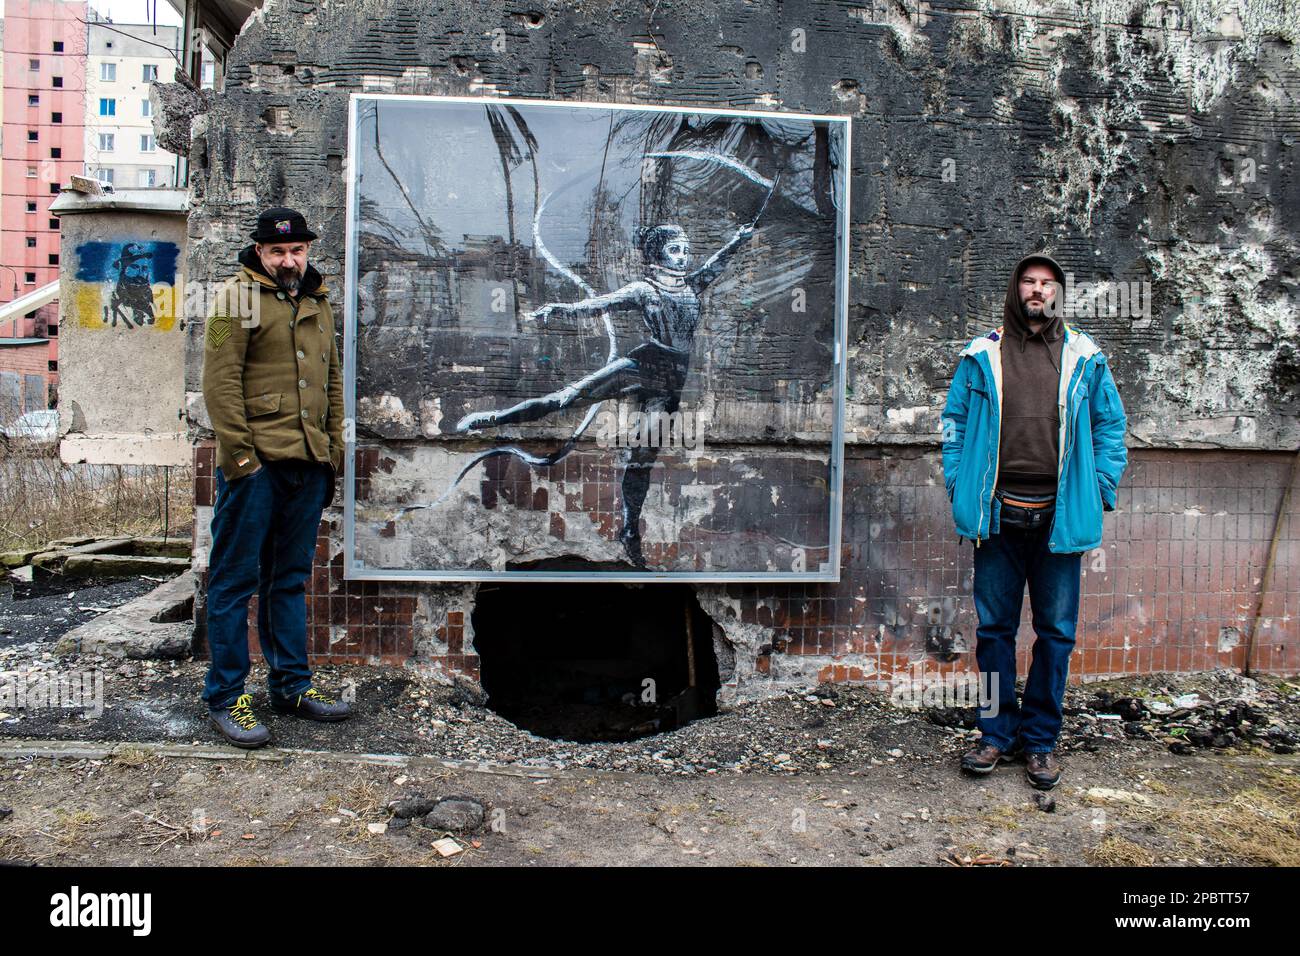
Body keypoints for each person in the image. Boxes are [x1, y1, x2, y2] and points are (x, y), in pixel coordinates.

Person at [456, 220, 754, 566]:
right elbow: (600, 304)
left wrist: (738, 240)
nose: (684, 257)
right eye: (675, 250)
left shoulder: (692, 286)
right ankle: (492, 419)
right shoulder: (644, 289)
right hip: (643, 363)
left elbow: (716, 264)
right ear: (658, 255)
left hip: (671, 381)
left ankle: (629, 532)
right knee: (564, 400)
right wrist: (561, 309)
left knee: (641, 458)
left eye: (686, 250)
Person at [941, 252, 1128, 789]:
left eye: (1048, 283)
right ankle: (996, 734)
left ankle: (1041, 740)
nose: (1038, 290)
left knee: (1056, 634)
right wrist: (959, 484)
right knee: (995, 631)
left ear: (1059, 294)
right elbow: (952, 424)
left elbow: (1110, 427)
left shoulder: (1084, 357)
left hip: (1059, 518)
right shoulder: (982, 355)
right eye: (1029, 281)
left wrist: (1101, 490)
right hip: (998, 517)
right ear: (1015, 288)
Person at [200, 206, 351, 748]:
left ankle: (290, 686)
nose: (289, 259)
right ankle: (226, 697)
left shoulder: (319, 300)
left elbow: (332, 380)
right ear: (260, 252)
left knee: (287, 580)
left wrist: (332, 451)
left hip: (306, 464)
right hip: (256, 467)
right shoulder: (235, 298)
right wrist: (242, 461)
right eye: (279, 251)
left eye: (298, 250)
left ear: (307, 251)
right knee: (234, 581)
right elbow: (219, 385)